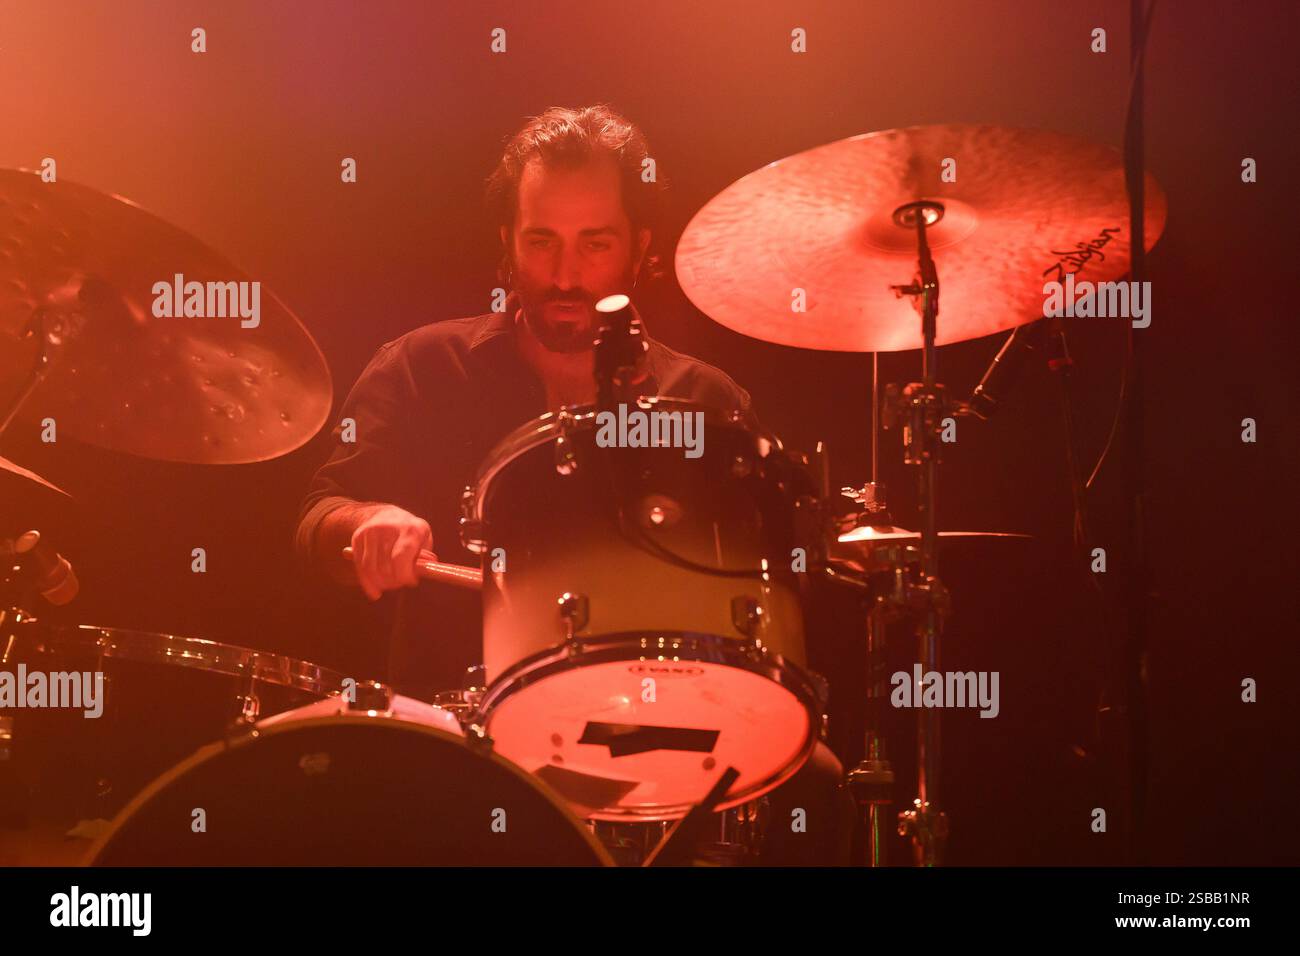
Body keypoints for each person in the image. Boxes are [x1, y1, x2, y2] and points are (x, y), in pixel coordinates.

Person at [296, 104, 852, 864]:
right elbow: (316, 517)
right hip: (458, 733)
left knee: (813, 776)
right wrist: (364, 521)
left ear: (638, 246)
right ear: (506, 241)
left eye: (595, 244)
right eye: (540, 241)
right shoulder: (422, 367)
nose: (564, 275)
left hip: (664, 729)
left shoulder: (704, 400)